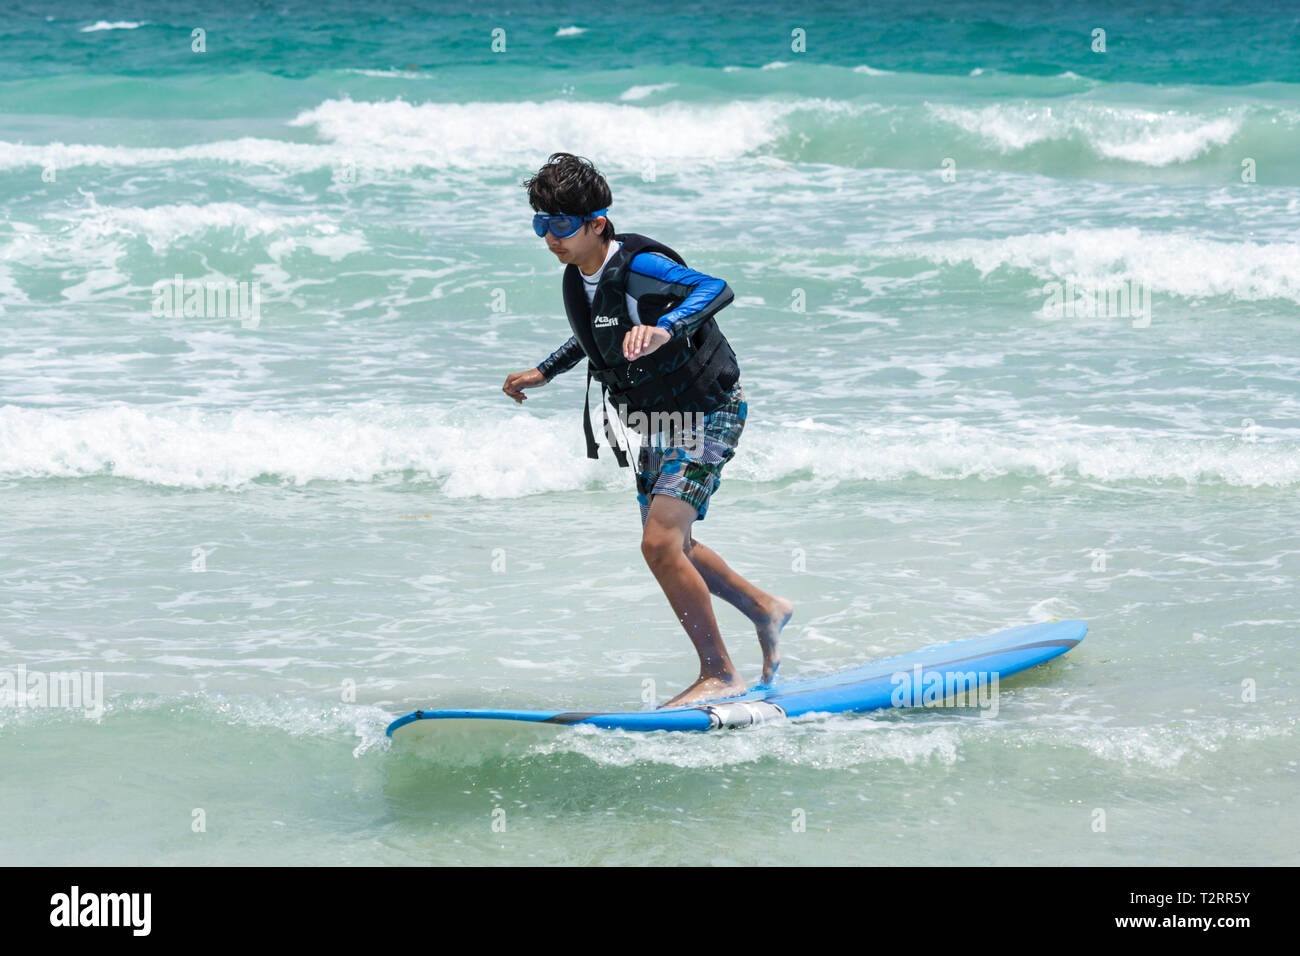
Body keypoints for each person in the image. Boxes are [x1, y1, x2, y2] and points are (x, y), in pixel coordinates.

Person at [502, 152, 792, 708]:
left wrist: (667, 328)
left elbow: (715, 287)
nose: (550, 238)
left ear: (597, 223)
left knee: (658, 544)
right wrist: (545, 370)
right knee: (675, 546)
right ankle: (765, 609)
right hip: (659, 420)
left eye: (561, 225)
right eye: (541, 224)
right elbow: (597, 339)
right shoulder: (581, 277)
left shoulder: (640, 267)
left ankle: (720, 673)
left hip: (707, 409)